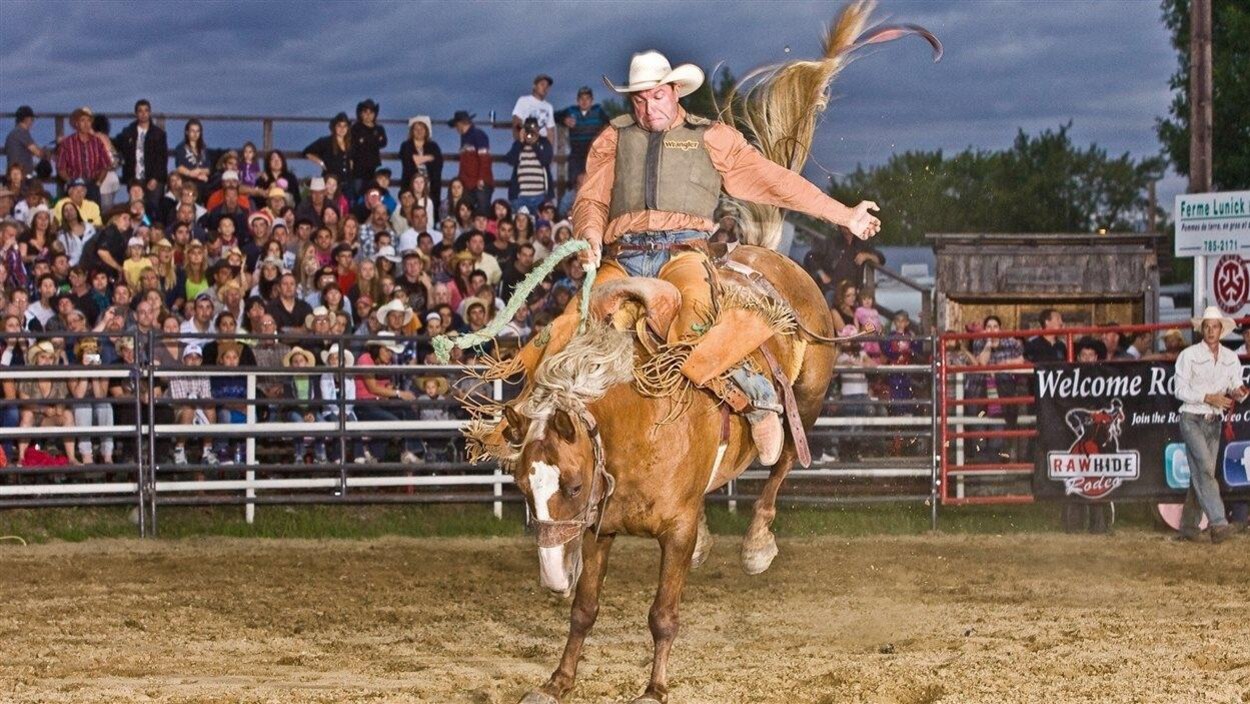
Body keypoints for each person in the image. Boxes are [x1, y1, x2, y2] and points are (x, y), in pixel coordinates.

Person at [511, 50, 881, 465]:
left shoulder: (711, 137)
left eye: (655, 97)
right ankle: (525, 417)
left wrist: (844, 214)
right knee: (569, 326)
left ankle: (758, 397)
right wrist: (591, 235)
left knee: (697, 320)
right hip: (622, 256)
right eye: (638, 100)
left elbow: (773, 181)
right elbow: (591, 200)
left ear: (674, 92)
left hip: (682, 254)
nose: (647, 108)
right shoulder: (613, 139)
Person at [1173, 307, 1247, 544]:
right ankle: (1218, 523)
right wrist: (1208, 397)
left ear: (1221, 330)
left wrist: (1238, 392)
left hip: (1213, 422)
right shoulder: (1188, 355)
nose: (1211, 330)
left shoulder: (1231, 358)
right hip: (1192, 418)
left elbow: (1236, 385)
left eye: (1215, 326)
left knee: (1201, 473)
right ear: (1202, 329)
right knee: (1205, 469)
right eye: (1207, 326)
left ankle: (1188, 526)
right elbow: (1179, 390)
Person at [57, 107, 112, 202]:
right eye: (82, 120)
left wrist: (98, 183)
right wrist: (70, 182)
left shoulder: (97, 142)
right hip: (74, 184)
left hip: (92, 184)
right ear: (76, 123)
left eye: (89, 121)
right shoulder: (67, 143)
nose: (86, 124)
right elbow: (61, 168)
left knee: (94, 214)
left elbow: (105, 165)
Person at [558, 87, 611, 185]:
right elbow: (555, 116)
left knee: (593, 185)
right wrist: (564, 120)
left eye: (587, 98)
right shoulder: (571, 111)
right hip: (576, 155)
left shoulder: (598, 111)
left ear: (592, 101)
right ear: (577, 101)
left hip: (594, 155)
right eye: (581, 98)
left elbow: (610, 124)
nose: (584, 101)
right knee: (578, 183)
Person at [115, 99, 168, 194]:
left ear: (150, 112)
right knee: (135, 206)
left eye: (146, 110)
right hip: (134, 179)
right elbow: (116, 144)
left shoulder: (159, 134)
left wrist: (155, 178)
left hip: (152, 178)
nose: (143, 113)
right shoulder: (128, 132)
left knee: (152, 206)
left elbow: (162, 158)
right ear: (136, 113)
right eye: (140, 111)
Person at [448, 111, 493, 215]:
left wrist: (482, 178)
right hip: (469, 183)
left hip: (478, 182)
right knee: (470, 212)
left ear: (460, 124)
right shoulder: (466, 137)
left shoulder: (478, 135)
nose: (456, 128)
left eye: (456, 125)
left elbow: (485, 158)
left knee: (481, 213)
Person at [505, 117, 554, 215]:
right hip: (521, 196)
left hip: (540, 195)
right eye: (528, 130)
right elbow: (510, 160)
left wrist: (535, 144)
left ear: (538, 130)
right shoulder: (518, 144)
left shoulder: (544, 143)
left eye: (533, 129)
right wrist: (521, 141)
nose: (530, 133)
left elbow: (546, 160)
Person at [398, 116, 443, 216]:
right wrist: (429, 157)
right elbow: (410, 160)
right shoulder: (406, 145)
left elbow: (439, 162)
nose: (419, 131)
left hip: (430, 187)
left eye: (422, 128)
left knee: (430, 213)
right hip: (410, 185)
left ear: (426, 130)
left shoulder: (433, 146)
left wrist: (418, 158)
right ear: (411, 131)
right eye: (416, 129)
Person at [303, 113, 353, 188]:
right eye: (339, 125)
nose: (342, 129)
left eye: (345, 126)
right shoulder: (325, 142)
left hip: (347, 182)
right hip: (330, 184)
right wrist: (320, 162)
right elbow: (306, 152)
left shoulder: (351, 143)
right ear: (334, 127)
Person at [350, 99, 387, 196]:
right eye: (365, 112)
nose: (368, 115)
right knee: (358, 194)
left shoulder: (379, 128)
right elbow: (354, 145)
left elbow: (383, 142)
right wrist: (374, 140)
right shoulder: (355, 128)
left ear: (375, 114)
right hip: (358, 168)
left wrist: (365, 141)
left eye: (371, 112)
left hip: (373, 167)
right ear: (361, 114)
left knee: (372, 192)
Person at [512, 73, 556, 138]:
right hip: (527, 137)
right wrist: (520, 139)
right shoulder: (523, 101)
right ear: (534, 86)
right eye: (542, 84)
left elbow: (550, 130)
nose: (545, 88)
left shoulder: (549, 107)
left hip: (542, 139)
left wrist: (549, 146)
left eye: (547, 86)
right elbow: (517, 121)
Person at [5, 105, 44, 178]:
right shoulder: (22, 132)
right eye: (32, 119)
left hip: (12, 175)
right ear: (27, 119)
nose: (33, 122)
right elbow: (38, 153)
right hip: (23, 176)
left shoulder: (12, 133)